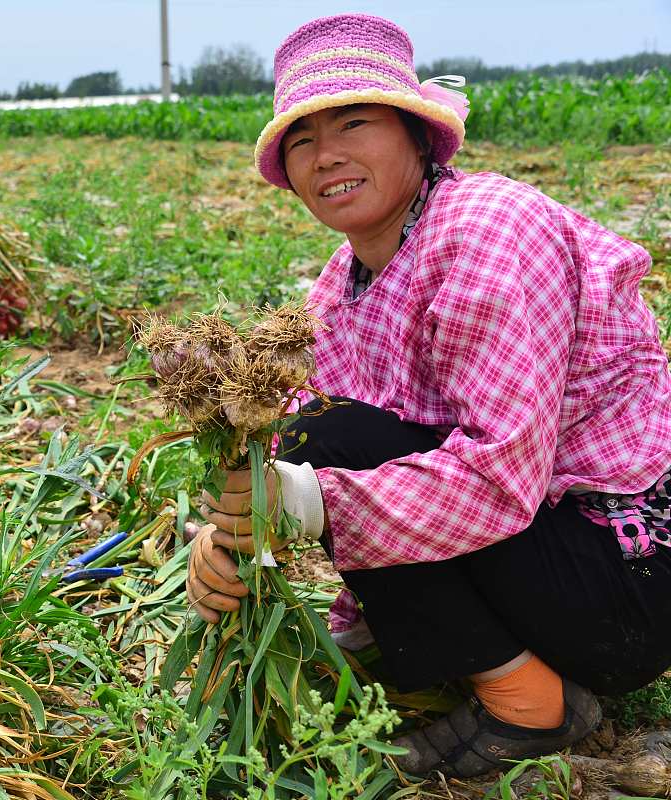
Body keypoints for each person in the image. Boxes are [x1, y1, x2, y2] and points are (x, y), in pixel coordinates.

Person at [186, 13, 671, 780]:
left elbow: (500, 475)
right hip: (542, 562)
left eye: (353, 122)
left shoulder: (489, 229)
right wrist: (224, 536)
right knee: (314, 436)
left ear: (417, 134)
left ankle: (529, 703)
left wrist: (306, 502)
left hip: (623, 580)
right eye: (303, 140)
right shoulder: (338, 289)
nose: (327, 155)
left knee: (326, 441)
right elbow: (289, 448)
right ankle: (447, 648)